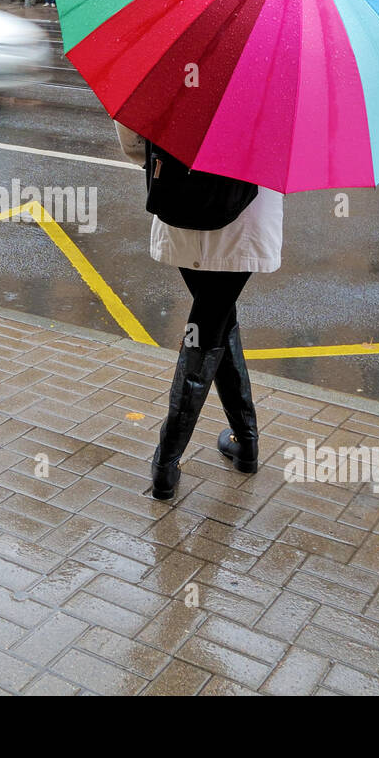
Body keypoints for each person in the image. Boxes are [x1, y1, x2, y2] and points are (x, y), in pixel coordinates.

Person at [115, 122, 284, 501]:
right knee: (211, 324)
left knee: (213, 323)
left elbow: (133, 138)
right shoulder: (277, 68)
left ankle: (242, 444)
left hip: (181, 195)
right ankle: (167, 462)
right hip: (247, 214)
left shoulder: (172, 63)